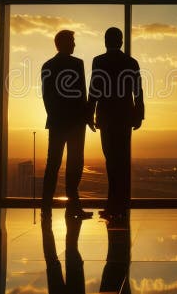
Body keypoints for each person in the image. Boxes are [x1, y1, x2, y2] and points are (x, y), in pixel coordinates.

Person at [88, 27, 144, 220]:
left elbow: (94, 89)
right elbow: (138, 90)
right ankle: (119, 204)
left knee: (111, 160)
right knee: (121, 160)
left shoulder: (99, 61)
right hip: (124, 117)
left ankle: (113, 204)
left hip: (106, 117)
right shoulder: (131, 62)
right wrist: (139, 114)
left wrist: (89, 113)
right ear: (120, 41)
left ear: (106, 41)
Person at [41, 30, 93, 220]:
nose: (74, 45)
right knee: (74, 164)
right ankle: (73, 206)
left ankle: (46, 207)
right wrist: (87, 117)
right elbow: (82, 94)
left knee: (53, 165)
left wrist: (56, 116)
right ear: (63, 43)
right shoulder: (77, 64)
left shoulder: (48, 66)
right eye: (72, 41)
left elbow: (47, 96)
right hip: (76, 123)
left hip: (58, 122)